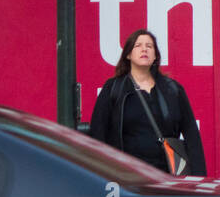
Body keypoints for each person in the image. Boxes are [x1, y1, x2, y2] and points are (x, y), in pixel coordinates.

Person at [89, 29, 207, 176]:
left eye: (149, 46)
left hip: (166, 176)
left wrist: (199, 179)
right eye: (138, 45)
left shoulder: (173, 90)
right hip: (127, 177)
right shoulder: (114, 88)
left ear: (155, 56)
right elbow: (97, 133)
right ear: (128, 54)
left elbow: (192, 135)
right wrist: (103, 174)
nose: (144, 49)